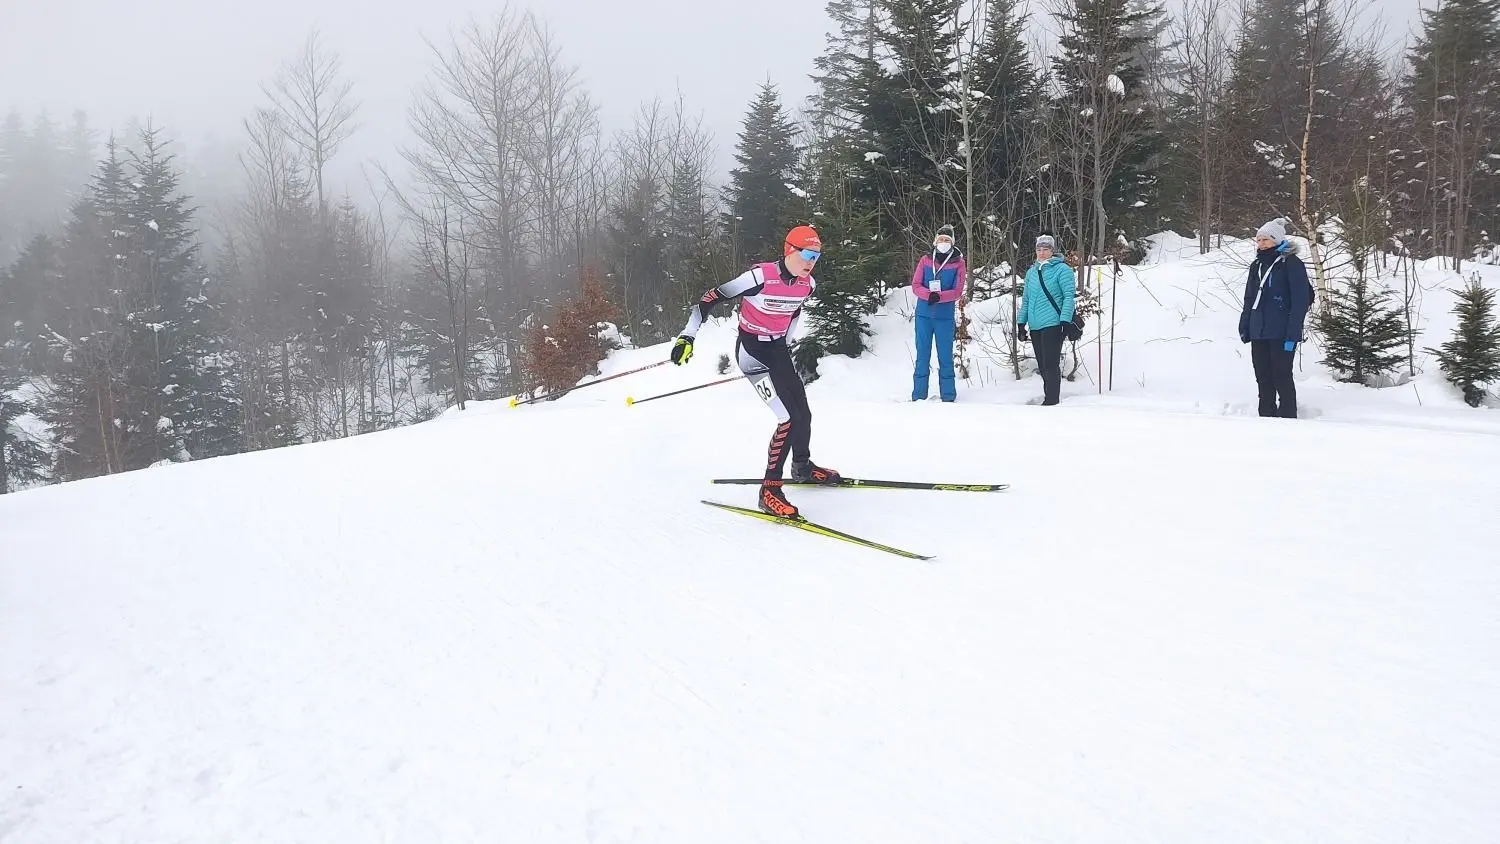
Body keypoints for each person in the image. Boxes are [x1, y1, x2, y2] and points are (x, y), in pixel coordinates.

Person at [668, 225, 842, 518]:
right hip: (752, 354)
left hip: (777, 351)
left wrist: (787, 341)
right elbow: (710, 298)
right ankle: (769, 491)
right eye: (807, 255)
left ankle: (802, 467)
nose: (811, 262)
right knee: (786, 418)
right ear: (790, 250)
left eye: (817, 257)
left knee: (803, 413)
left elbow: (795, 310)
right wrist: (688, 336)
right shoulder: (759, 277)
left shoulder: (807, 284)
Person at [1238, 218, 1311, 418]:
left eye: (1265, 240)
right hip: (1258, 329)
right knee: (1262, 375)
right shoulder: (1257, 265)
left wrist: (1293, 331)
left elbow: (1301, 299)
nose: (1261, 244)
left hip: (1282, 330)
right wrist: (1245, 324)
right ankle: (1266, 416)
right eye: (1258, 240)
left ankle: (1288, 416)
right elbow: (1250, 297)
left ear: (1277, 241)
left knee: (1281, 375)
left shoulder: (1291, 263)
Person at [1015, 234, 1075, 406]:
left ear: (1052, 251)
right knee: (1042, 365)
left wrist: (1065, 320)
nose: (1041, 253)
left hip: (1054, 323)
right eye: (1039, 250)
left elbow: (1068, 297)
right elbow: (1026, 299)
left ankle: (1051, 400)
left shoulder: (1063, 270)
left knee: (1050, 364)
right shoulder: (1031, 273)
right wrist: (1021, 323)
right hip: (1035, 325)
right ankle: (1049, 397)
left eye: (1045, 249)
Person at [911, 224, 967, 402]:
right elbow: (915, 285)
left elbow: (957, 290)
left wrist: (940, 297)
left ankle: (948, 396)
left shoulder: (958, 262)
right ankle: (918, 395)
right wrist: (929, 295)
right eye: (941, 239)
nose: (943, 242)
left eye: (947, 240)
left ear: (952, 243)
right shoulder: (926, 259)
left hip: (944, 316)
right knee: (922, 356)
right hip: (923, 315)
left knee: (945, 357)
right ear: (935, 241)